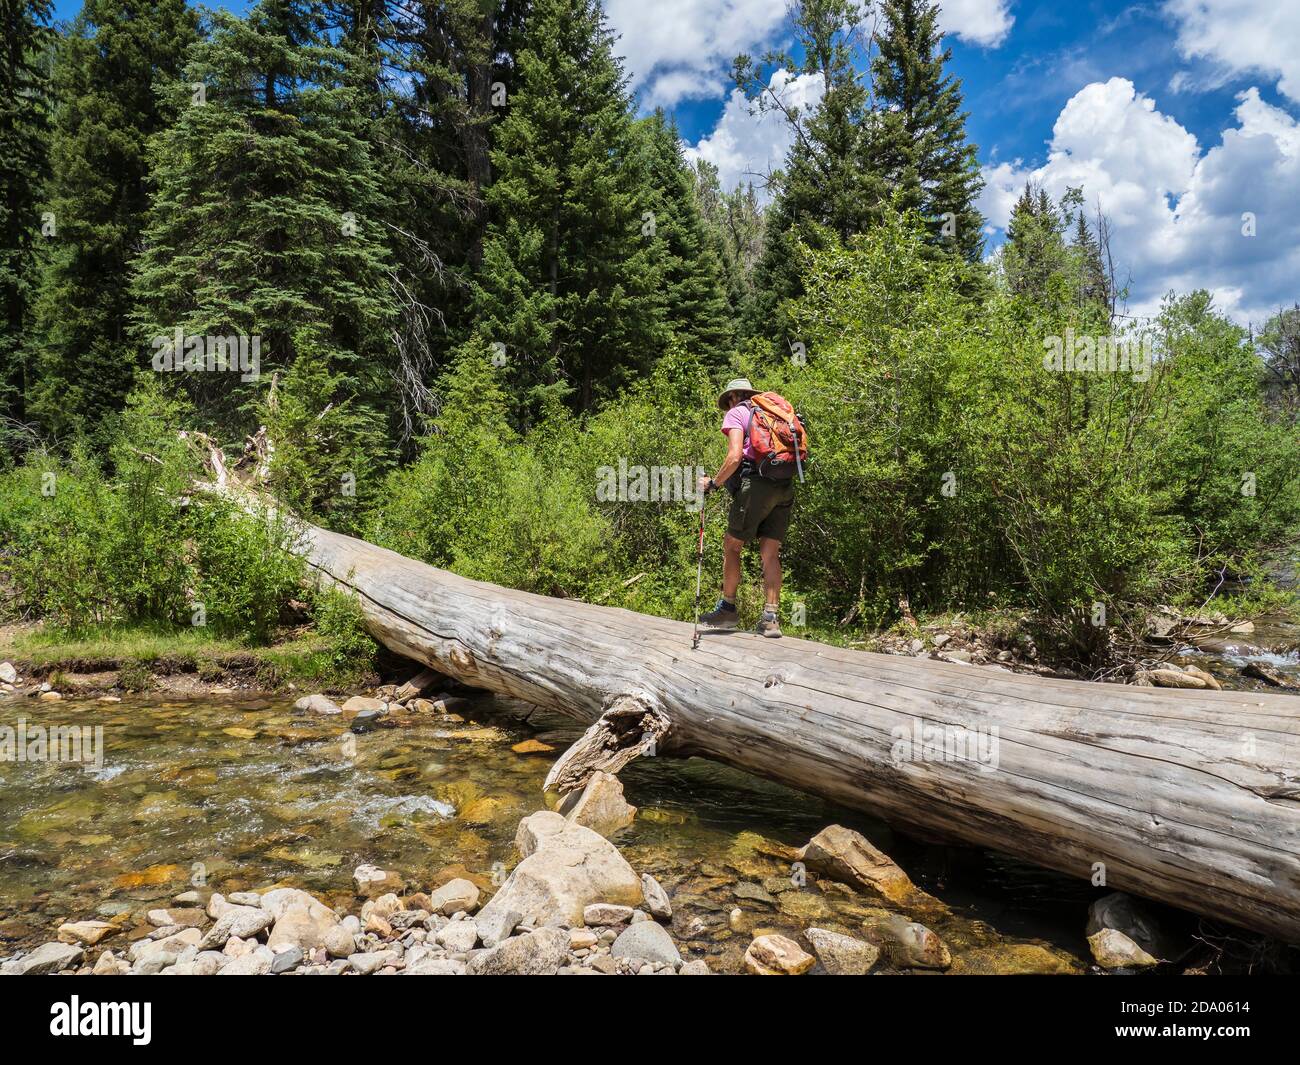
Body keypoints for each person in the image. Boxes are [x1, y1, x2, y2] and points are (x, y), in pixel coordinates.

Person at [697, 377, 795, 638]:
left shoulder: (736, 413)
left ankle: (728, 608)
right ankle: (771, 619)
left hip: (757, 485)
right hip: (784, 485)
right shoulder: (770, 412)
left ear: (731, 397)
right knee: (770, 552)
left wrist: (713, 484)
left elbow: (734, 456)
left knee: (732, 544)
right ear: (750, 394)